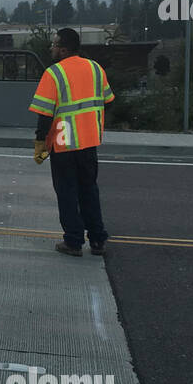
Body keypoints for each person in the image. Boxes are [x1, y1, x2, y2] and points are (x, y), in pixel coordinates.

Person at [28, 28, 114, 256]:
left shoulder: (54, 73)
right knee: (89, 191)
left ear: (63, 49)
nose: (51, 49)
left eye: (54, 45)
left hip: (64, 143)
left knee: (67, 193)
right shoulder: (96, 68)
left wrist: (40, 142)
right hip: (89, 141)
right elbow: (108, 101)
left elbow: (45, 114)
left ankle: (73, 242)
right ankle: (98, 241)